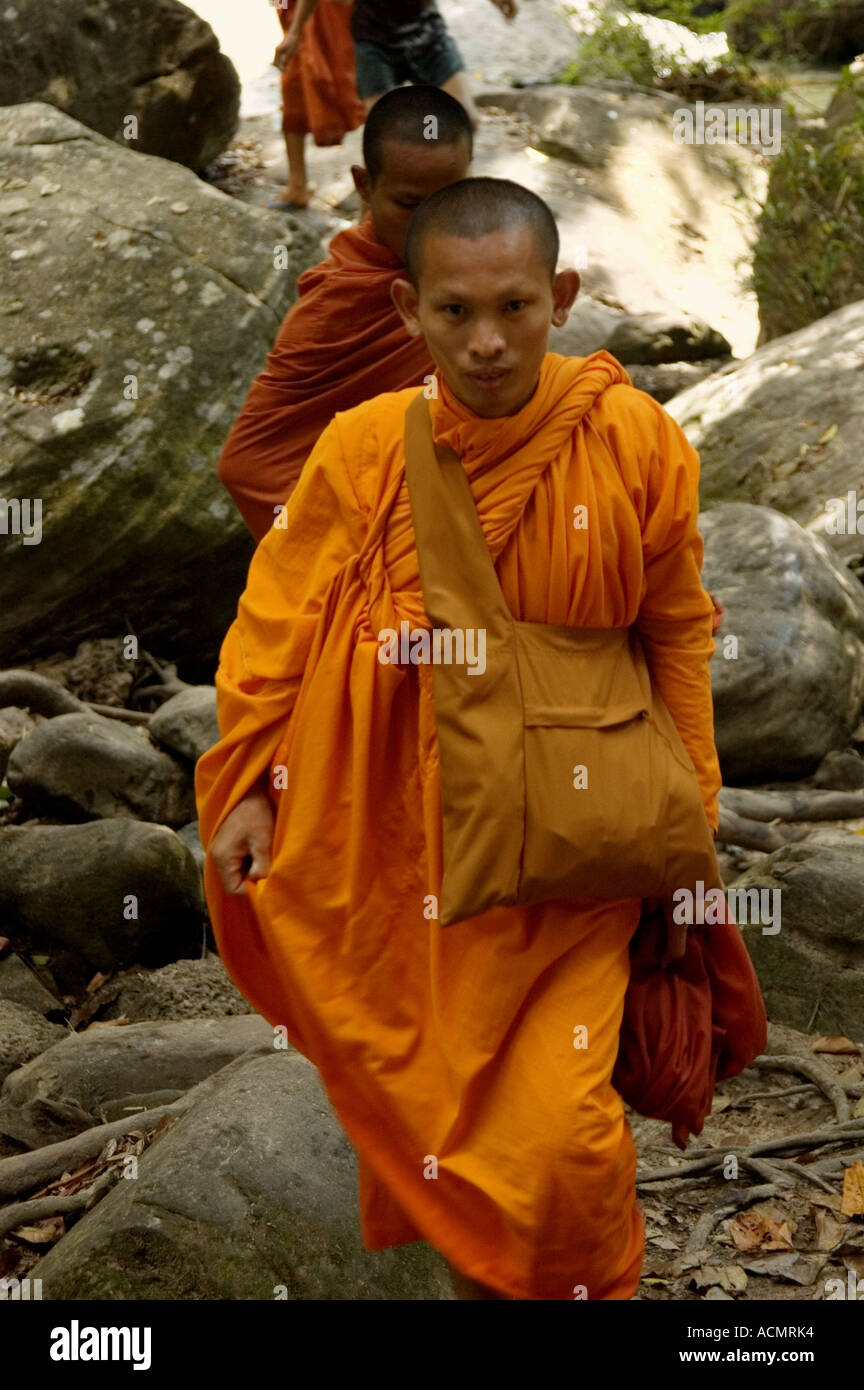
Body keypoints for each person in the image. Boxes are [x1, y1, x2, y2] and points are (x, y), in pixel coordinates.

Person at [196, 178, 723, 1301]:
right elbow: (275, 618)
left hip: (573, 840)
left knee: (564, 1146)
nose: (487, 343)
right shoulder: (361, 448)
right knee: (442, 1123)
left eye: (516, 309)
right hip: (395, 839)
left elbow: (677, 632)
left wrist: (695, 830)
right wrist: (248, 782)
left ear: (563, 298)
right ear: (407, 311)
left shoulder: (632, 441)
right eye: (456, 313)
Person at [218, 85, 473, 540]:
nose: (432, 224)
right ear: (364, 185)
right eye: (410, 204)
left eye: (450, 201)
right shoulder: (335, 306)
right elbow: (248, 464)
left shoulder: (475, 259)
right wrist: (352, 547)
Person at [282, 0, 518, 127]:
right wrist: (295, 32)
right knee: (382, 135)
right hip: (374, 39)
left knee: (465, 119)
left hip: (426, 31)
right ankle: (369, 215)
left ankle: (457, 206)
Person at [270, 0, 365, 210]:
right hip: (294, 12)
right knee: (293, 85)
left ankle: (375, 186)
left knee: (339, 78)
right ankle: (297, 184)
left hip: (321, 10)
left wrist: (295, 30)